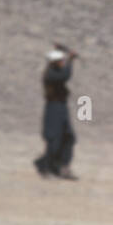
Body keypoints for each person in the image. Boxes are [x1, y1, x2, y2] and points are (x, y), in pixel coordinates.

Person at [35, 48, 78, 179]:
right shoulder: (51, 74)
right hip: (53, 108)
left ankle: (62, 165)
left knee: (68, 137)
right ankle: (47, 168)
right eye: (60, 61)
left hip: (61, 107)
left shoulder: (54, 71)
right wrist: (71, 60)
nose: (62, 63)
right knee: (53, 139)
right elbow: (65, 76)